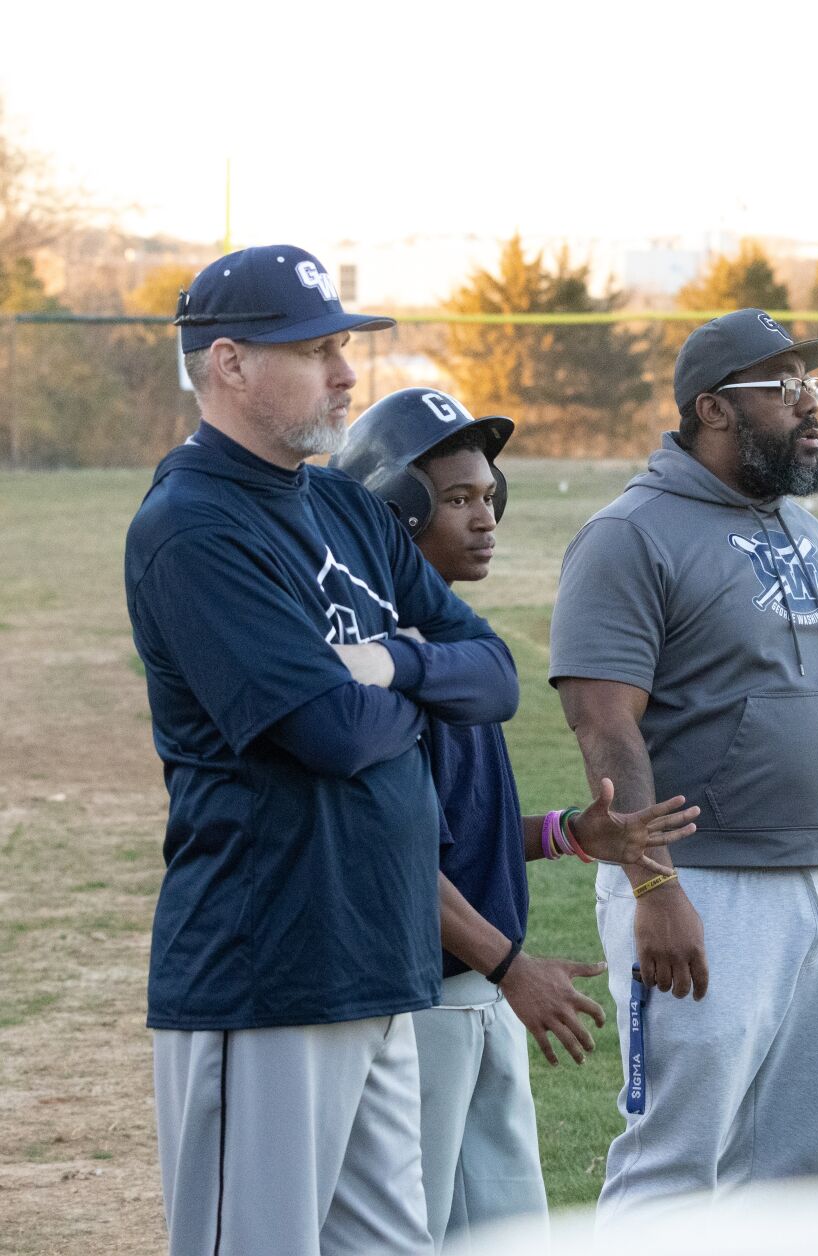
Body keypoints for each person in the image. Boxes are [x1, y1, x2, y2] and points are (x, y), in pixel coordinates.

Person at [128, 245, 520, 1256]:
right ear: (229, 364)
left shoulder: (343, 504)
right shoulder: (194, 524)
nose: (346, 374)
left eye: (343, 346)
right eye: (314, 350)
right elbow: (331, 734)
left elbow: (495, 674)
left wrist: (387, 662)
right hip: (266, 973)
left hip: (382, 965)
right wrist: (413, 685)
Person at [332, 388, 700, 1248]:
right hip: (418, 1002)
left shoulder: (448, 651)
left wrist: (570, 834)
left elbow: (455, 831)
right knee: (407, 1231)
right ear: (395, 509)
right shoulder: (384, 665)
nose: (485, 517)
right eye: (457, 499)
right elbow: (390, 856)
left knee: (503, 1231)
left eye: (490, 496)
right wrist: (509, 966)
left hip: (476, 995)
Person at [549, 308, 818, 1217]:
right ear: (714, 409)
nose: (809, 404)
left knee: (789, 1175)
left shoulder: (808, 532)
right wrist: (653, 891)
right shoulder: (630, 534)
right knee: (675, 1165)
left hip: (814, 885)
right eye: (784, 387)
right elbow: (604, 726)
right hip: (703, 887)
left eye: (811, 384)